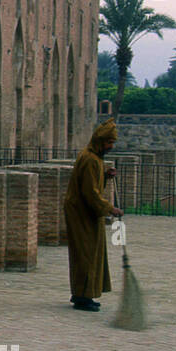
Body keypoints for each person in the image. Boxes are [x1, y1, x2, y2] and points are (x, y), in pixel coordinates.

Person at [63, 119, 123, 312]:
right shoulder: (89, 159)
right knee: (86, 252)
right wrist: (109, 208)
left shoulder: (96, 159)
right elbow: (90, 192)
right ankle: (82, 296)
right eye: (108, 143)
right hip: (80, 212)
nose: (110, 147)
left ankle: (85, 293)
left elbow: (93, 184)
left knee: (92, 251)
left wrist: (105, 176)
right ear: (100, 141)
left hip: (87, 212)